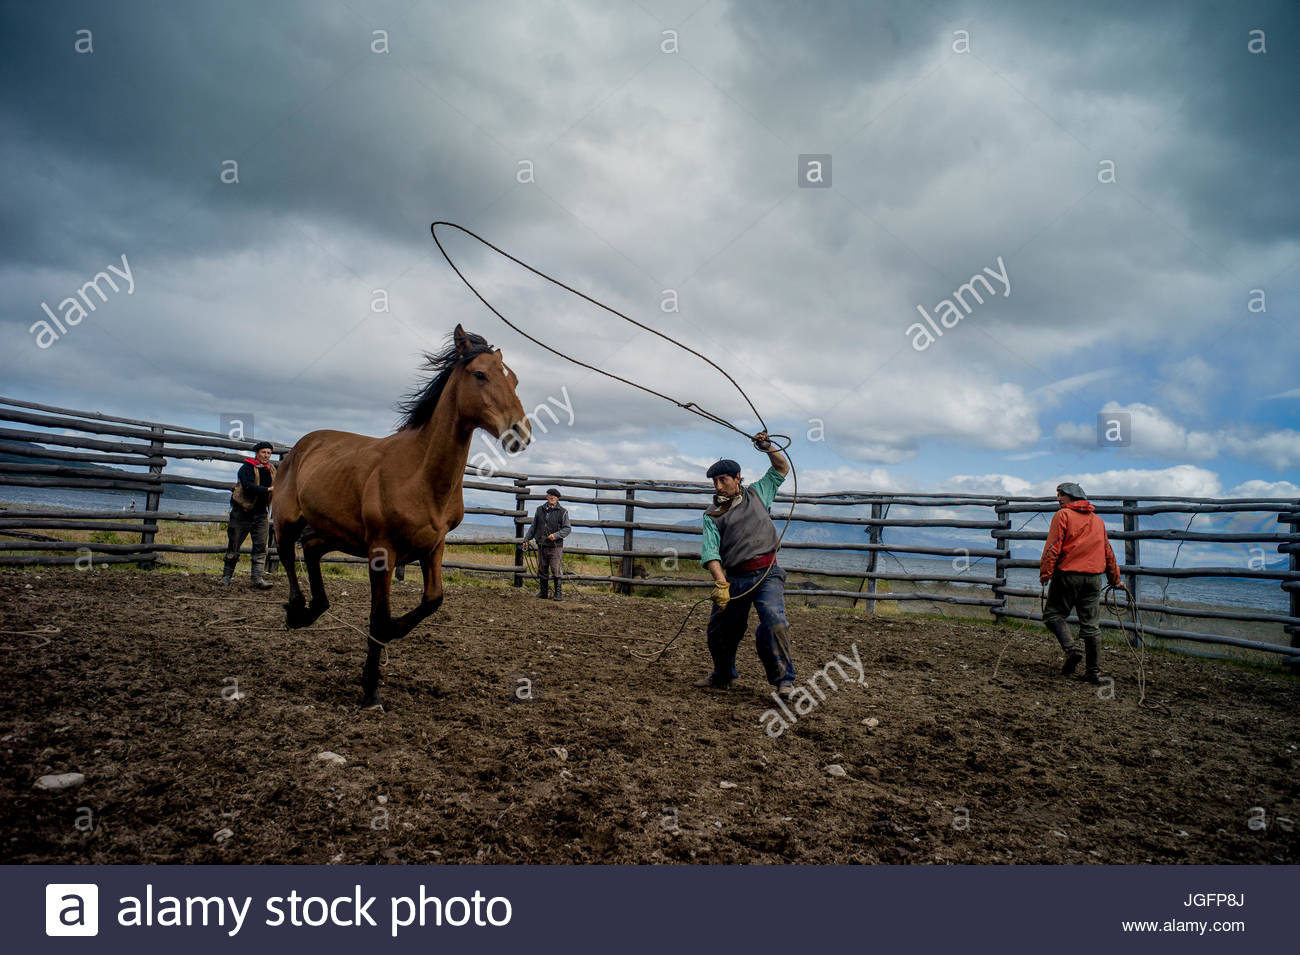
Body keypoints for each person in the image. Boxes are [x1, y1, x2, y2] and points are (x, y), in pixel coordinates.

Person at [695, 432, 795, 699]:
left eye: (723, 480)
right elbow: (711, 553)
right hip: (735, 577)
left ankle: (784, 680)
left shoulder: (758, 493)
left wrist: (767, 447)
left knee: (774, 621)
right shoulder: (712, 515)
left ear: (737, 478)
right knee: (720, 630)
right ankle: (723, 675)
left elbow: (781, 468)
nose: (718, 486)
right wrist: (720, 582)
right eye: (715, 481)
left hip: (767, 573)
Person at [1039, 481, 1125, 684]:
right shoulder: (1097, 521)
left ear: (1072, 497)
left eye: (1061, 494)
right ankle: (1093, 671)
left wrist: (1046, 573)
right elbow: (1107, 551)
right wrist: (1115, 579)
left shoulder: (1063, 515)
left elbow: (1054, 545)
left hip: (1068, 575)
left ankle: (1071, 649)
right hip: (1094, 578)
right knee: (1091, 625)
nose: (1058, 498)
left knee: (1053, 615)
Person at [221, 441, 276, 589]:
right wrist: (268, 489)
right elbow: (248, 486)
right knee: (234, 544)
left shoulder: (271, 469)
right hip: (242, 512)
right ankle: (226, 577)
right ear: (257, 453)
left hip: (260, 513)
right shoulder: (247, 467)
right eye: (264, 452)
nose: (266, 455)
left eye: (269, 453)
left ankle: (257, 578)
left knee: (260, 546)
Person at [522, 487, 571, 601]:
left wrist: (556, 535)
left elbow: (567, 529)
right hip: (541, 544)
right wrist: (526, 539)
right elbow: (534, 526)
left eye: (555, 496)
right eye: (550, 495)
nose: (553, 497)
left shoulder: (563, 512)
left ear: (557, 498)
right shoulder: (539, 510)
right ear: (547, 496)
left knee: (556, 569)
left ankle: (558, 594)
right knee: (542, 568)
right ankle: (543, 593)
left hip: (555, 546)